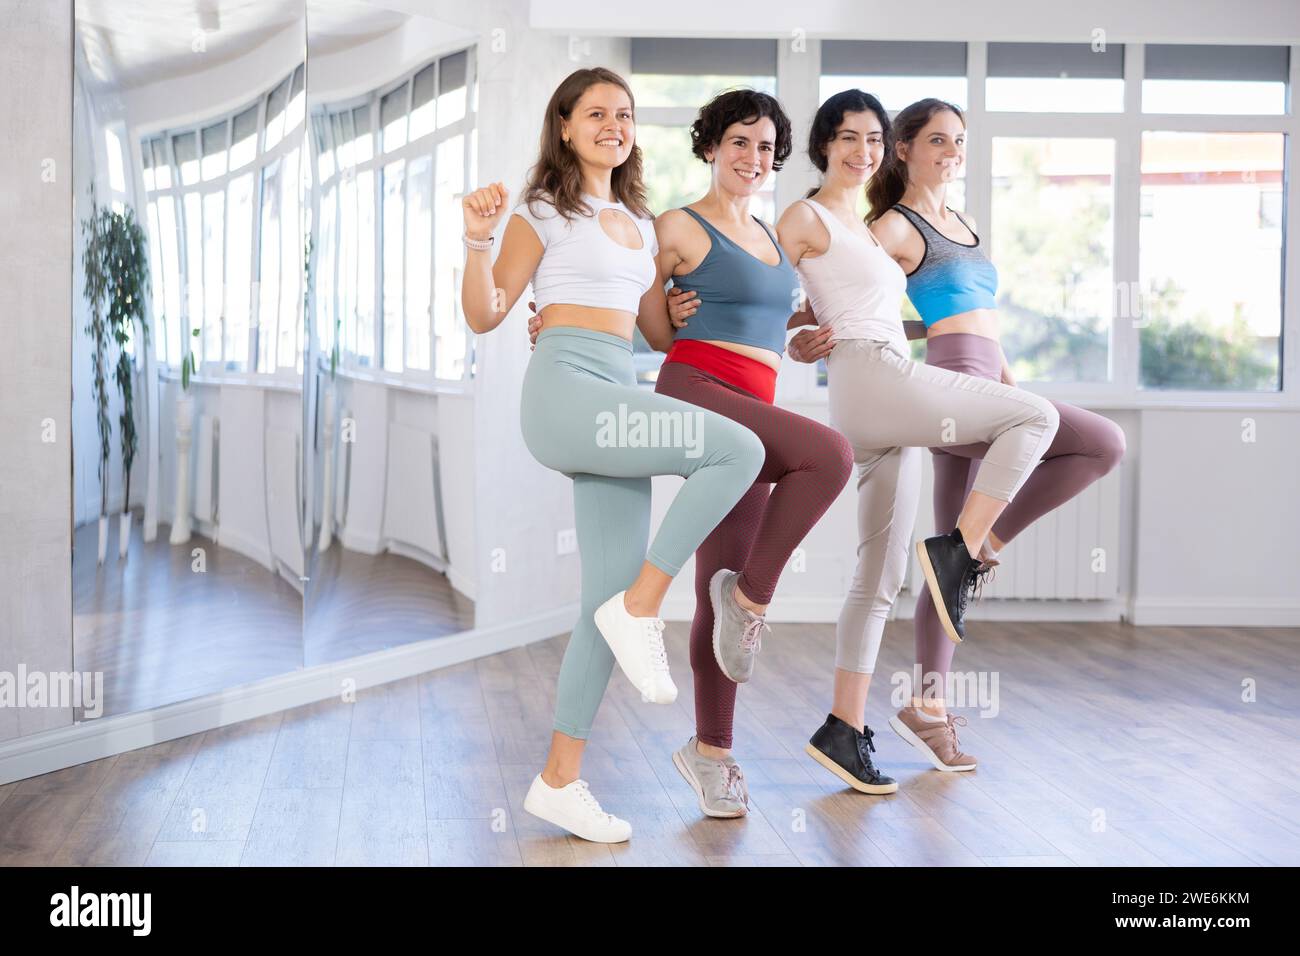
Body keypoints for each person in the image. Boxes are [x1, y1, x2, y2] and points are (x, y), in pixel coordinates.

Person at [460, 67, 764, 842]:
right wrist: (476, 240)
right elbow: (491, 312)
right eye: (595, 113)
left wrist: (676, 310)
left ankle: (559, 780)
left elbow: (650, 334)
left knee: (600, 598)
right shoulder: (543, 210)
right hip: (566, 392)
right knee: (736, 449)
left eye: (623, 114)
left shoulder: (633, 215)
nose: (613, 125)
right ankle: (643, 608)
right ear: (563, 125)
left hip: (614, 385)